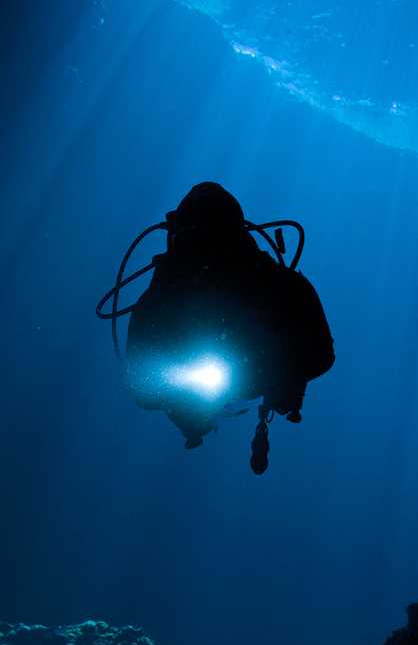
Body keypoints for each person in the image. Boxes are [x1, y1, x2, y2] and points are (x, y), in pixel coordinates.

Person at [111, 183, 333, 472]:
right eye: (200, 243)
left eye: (216, 241)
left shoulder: (281, 287)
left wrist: (284, 376)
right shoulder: (163, 297)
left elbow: (321, 354)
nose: (209, 258)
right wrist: (180, 397)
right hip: (240, 383)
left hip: (257, 376)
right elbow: (140, 386)